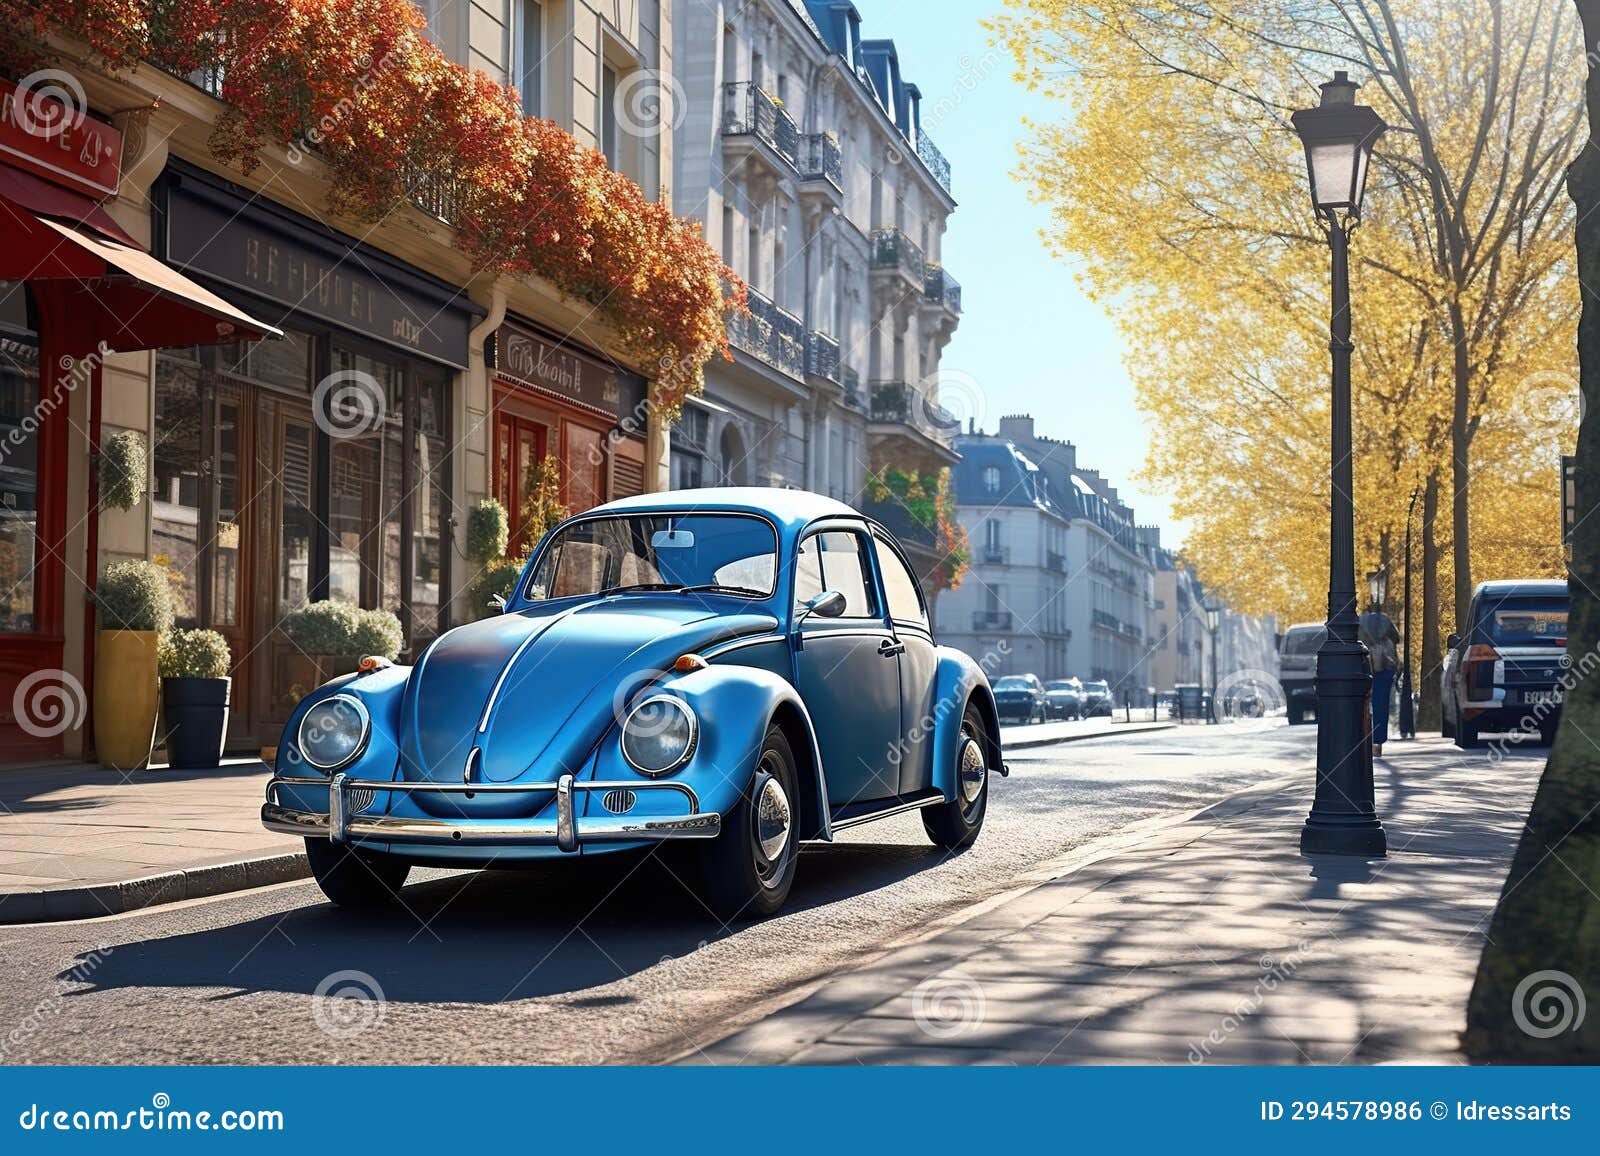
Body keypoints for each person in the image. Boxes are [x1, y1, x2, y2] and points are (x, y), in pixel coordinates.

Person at [1360, 602, 1401, 756]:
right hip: (1385, 667)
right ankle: (1378, 740)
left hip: (1366, 668)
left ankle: (1365, 738)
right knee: (1381, 705)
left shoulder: (1361, 621)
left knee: (1363, 704)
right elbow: (1396, 638)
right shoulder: (1386, 619)